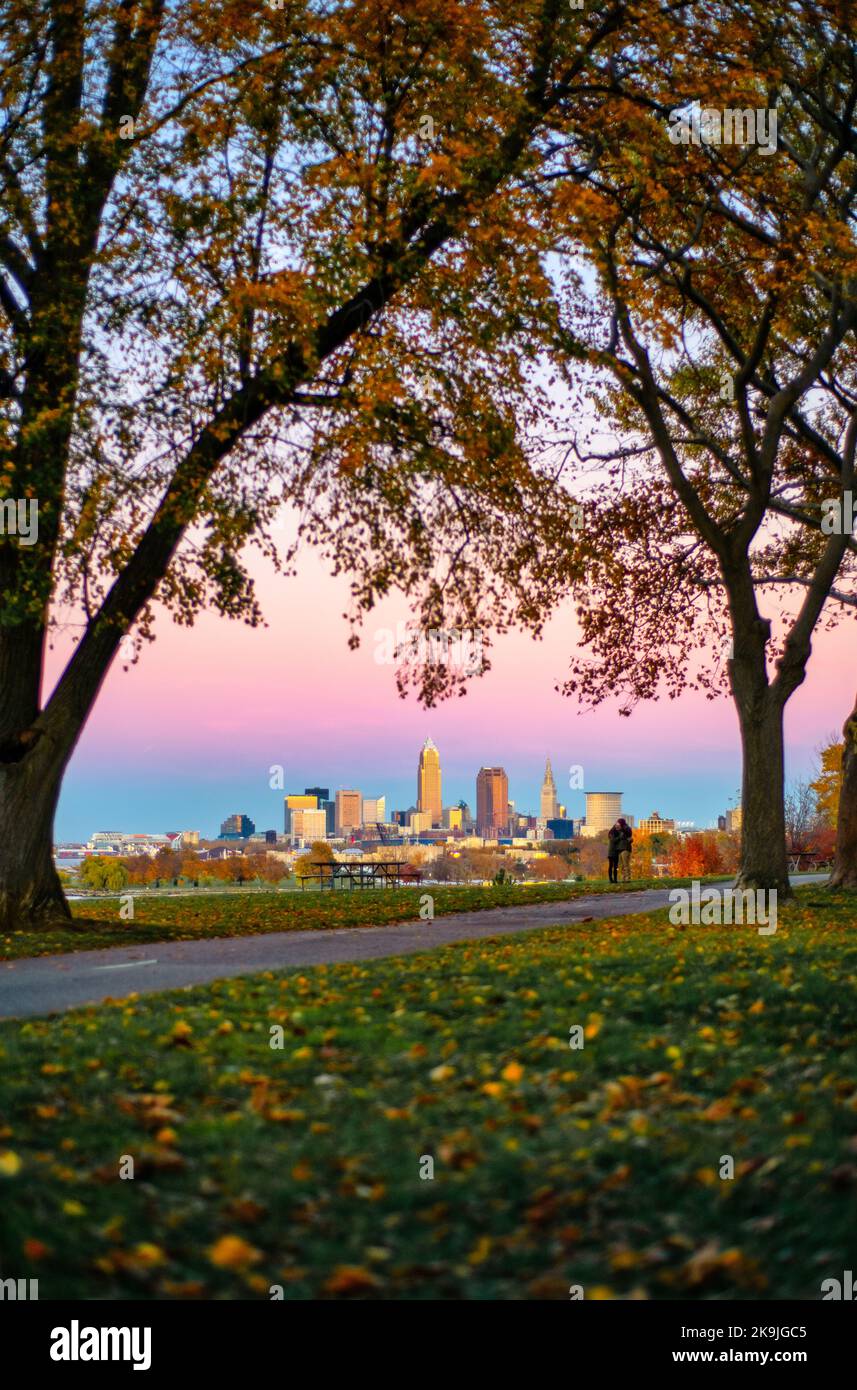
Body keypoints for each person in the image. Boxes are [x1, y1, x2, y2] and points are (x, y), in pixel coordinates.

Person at [617, 818, 633, 882]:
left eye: (618, 822)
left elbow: (628, 833)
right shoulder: (619, 830)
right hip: (620, 848)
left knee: (626, 864)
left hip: (625, 848)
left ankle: (628, 878)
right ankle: (623, 878)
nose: (617, 824)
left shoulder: (627, 828)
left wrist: (621, 828)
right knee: (621, 865)